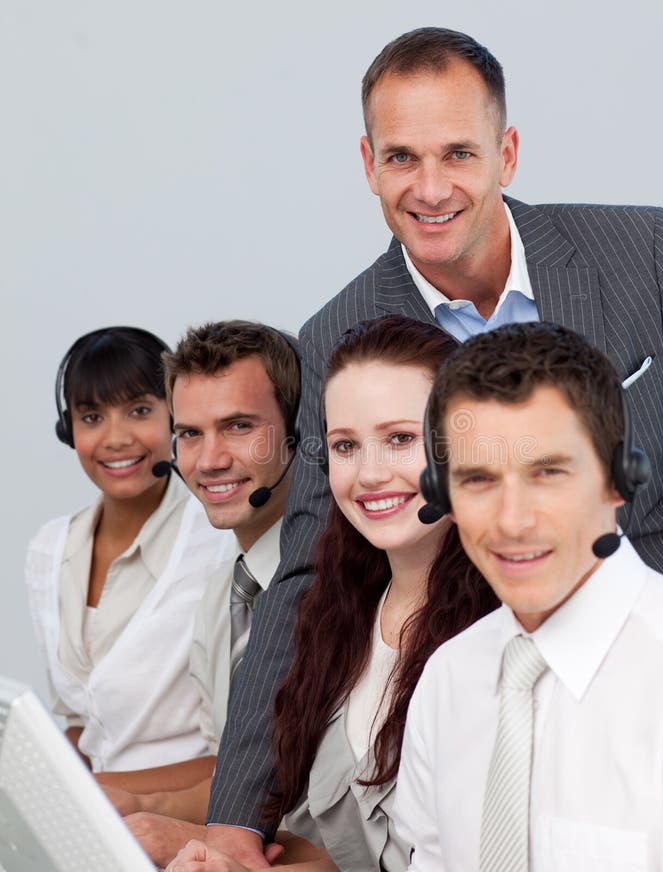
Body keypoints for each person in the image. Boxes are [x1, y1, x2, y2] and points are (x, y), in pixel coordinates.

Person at [206, 27, 663, 860]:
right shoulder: (337, 337)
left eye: (458, 153)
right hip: (486, 699)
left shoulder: (644, 259)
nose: (432, 187)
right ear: (369, 165)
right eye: (403, 158)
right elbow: (306, 571)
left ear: (507, 152)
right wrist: (238, 821)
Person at [392, 321, 663, 871]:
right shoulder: (448, 680)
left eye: (548, 473)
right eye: (479, 480)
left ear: (619, 480)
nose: (512, 522)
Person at [166, 316, 497, 872]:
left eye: (400, 439)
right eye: (346, 445)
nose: (368, 473)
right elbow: (343, 851)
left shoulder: (501, 632)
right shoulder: (334, 617)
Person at [101, 321, 300, 868]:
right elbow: (233, 770)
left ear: (299, 431)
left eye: (238, 426)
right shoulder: (222, 595)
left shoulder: (339, 591)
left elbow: (355, 831)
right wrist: (139, 802)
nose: (208, 460)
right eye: (190, 433)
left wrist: (191, 840)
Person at [25, 326, 234, 775]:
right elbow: (83, 727)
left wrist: (104, 794)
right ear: (69, 431)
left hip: (191, 824)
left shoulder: (218, 546)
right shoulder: (50, 550)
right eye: (92, 417)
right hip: (103, 823)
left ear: (176, 418)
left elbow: (241, 760)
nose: (115, 438)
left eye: (139, 410)